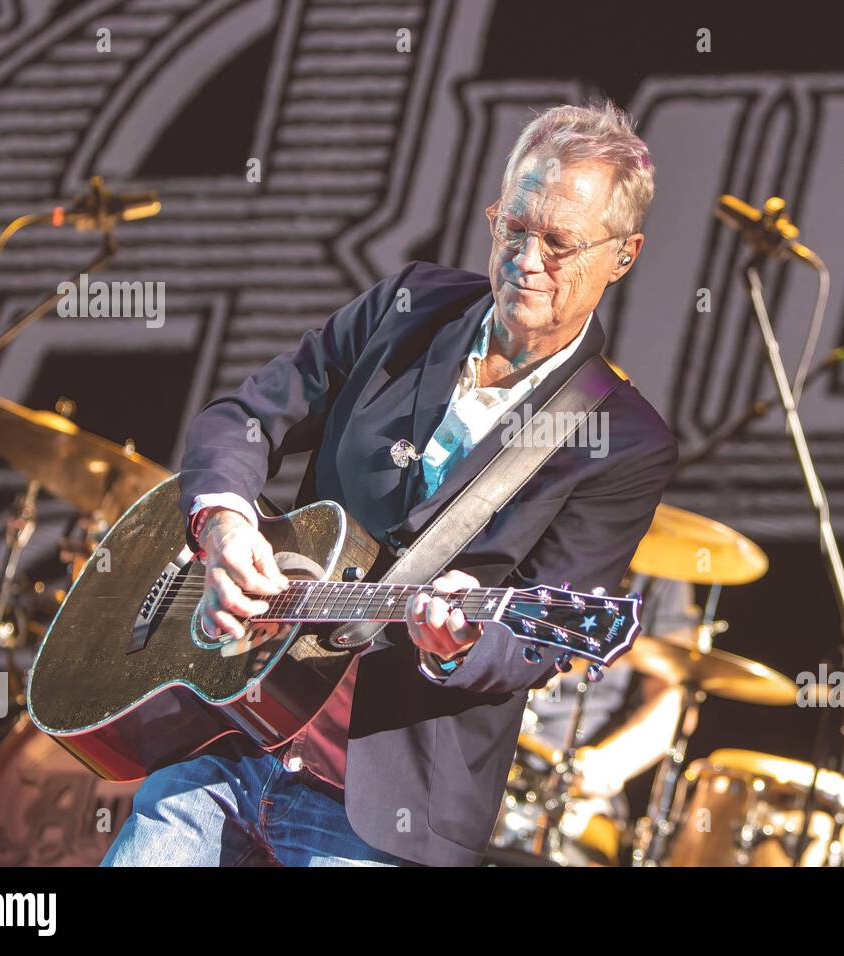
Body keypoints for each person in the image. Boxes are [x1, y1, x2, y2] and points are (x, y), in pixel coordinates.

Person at [102, 101, 678, 867]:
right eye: (512, 227)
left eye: (559, 243)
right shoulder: (407, 306)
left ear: (624, 255)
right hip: (228, 726)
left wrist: (462, 641)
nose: (525, 259)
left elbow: (531, 642)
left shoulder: (624, 441)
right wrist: (225, 525)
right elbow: (246, 416)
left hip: (382, 805)